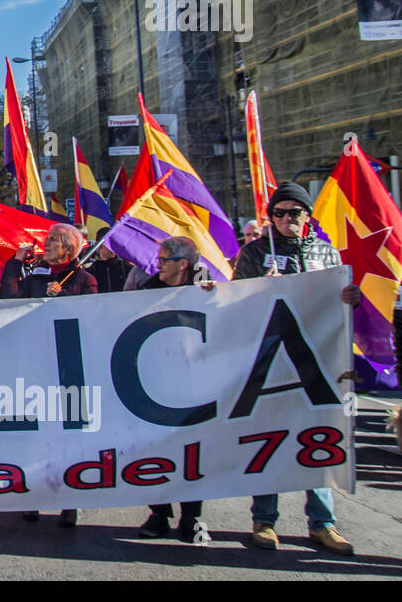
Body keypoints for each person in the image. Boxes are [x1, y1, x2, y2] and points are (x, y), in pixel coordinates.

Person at [233, 181, 359, 556]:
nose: (286, 219)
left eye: (294, 212)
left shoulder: (325, 252)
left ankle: (323, 524)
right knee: (269, 439)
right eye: (279, 213)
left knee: (317, 438)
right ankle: (264, 520)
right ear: (271, 217)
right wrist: (259, 289)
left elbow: (339, 305)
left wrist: (350, 297)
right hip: (270, 359)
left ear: (308, 215)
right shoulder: (255, 252)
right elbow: (236, 299)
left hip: (315, 360)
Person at [0, 222, 96, 528]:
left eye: (54, 240)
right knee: (37, 434)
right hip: (37, 365)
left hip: (69, 369)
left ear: (69, 246)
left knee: (68, 436)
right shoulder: (37, 276)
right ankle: (35, 497)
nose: (47, 243)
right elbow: (9, 299)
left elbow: (93, 317)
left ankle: (69, 501)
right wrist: (15, 262)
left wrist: (63, 298)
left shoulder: (85, 279)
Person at [134, 236, 209, 541]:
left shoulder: (203, 289)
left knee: (192, 452)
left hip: (194, 384)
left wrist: (208, 288)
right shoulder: (148, 290)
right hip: (155, 382)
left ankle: (191, 517)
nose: (158, 265)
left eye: (164, 260)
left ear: (183, 264)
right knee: (156, 449)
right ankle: (159, 513)